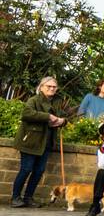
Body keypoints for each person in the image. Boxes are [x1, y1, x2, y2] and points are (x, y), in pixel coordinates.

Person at [12, 77, 71, 207]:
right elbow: (26, 114)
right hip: (30, 141)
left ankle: (28, 198)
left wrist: (63, 121)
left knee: (38, 171)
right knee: (26, 170)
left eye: (54, 87)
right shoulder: (34, 100)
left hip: (46, 143)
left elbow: (64, 116)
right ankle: (15, 198)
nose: (51, 89)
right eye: (48, 86)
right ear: (41, 86)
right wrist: (48, 116)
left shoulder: (57, 102)